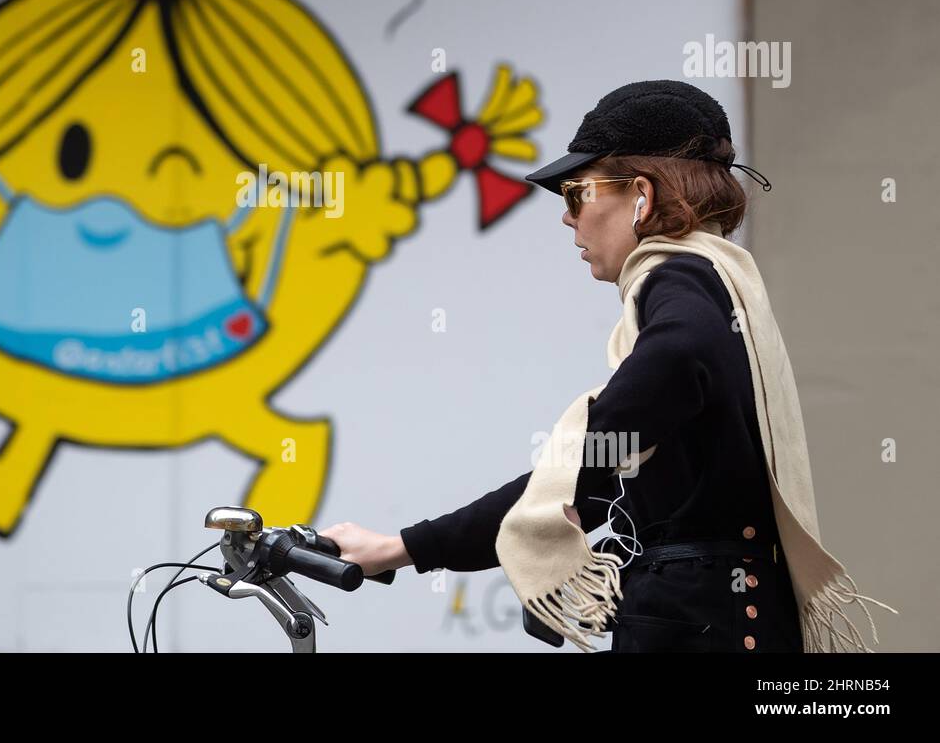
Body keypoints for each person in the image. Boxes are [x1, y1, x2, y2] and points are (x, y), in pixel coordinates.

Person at [320, 79, 809, 653]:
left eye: (577, 193)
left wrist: (406, 547)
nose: (567, 218)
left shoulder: (676, 280)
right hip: (731, 617)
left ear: (641, 196)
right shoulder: (720, 282)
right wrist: (409, 547)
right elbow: (588, 488)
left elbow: (616, 433)